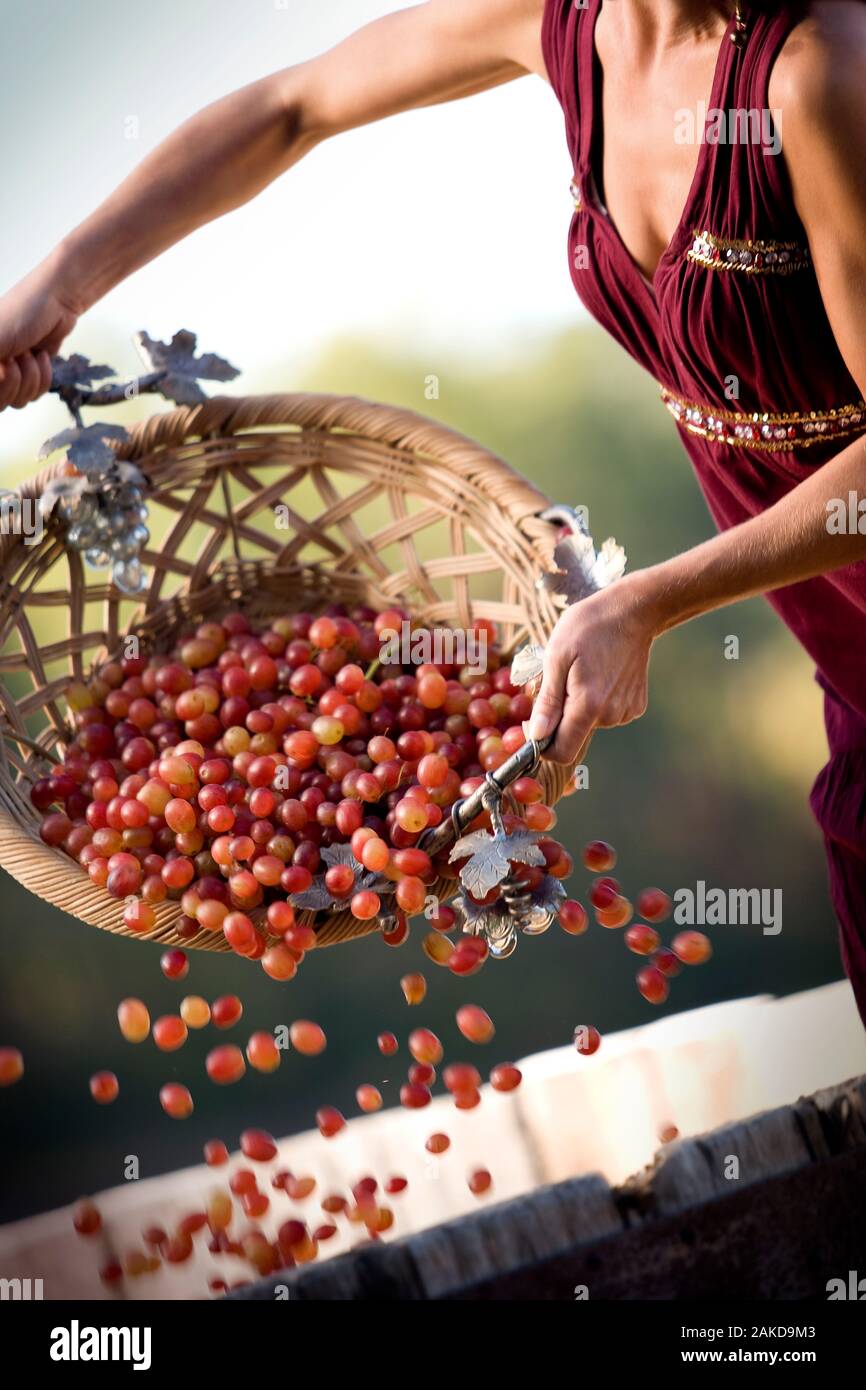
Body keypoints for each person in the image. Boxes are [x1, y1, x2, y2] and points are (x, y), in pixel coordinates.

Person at [1, 0, 865, 1016]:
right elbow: (291, 104)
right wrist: (60, 282)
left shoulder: (813, 76)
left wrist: (649, 602)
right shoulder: (569, 23)